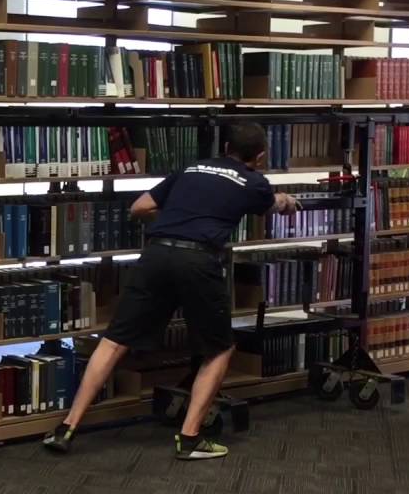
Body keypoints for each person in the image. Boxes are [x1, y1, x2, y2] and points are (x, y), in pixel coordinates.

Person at [43, 123, 299, 461]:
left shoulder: (190, 169)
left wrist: (179, 219)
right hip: (199, 260)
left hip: (157, 252)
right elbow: (272, 205)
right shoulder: (254, 182)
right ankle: (190, 438)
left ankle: (67, 427)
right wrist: (286, 200)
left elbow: (139, 208)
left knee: (115, 340)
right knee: (219, 349)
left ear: (224, 146)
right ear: (261, 157)